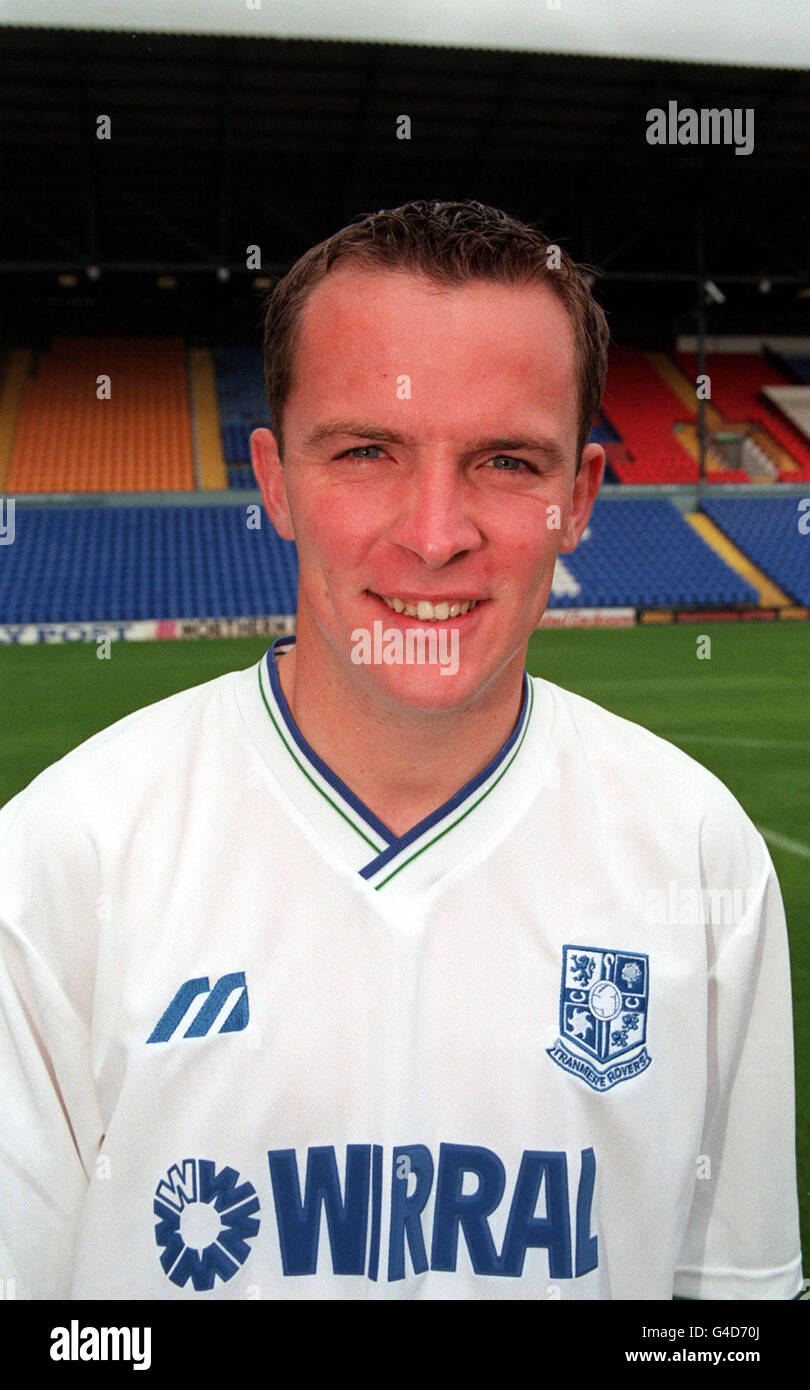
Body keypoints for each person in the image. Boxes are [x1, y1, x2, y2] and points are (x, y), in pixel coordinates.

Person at [0, 200, 802, 1300]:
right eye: (368, 449)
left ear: (581, 497)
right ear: (275, 482)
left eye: (508, 460)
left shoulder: (698, 851)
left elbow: (729, 1304)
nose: (435, 533)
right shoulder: (62, 856)